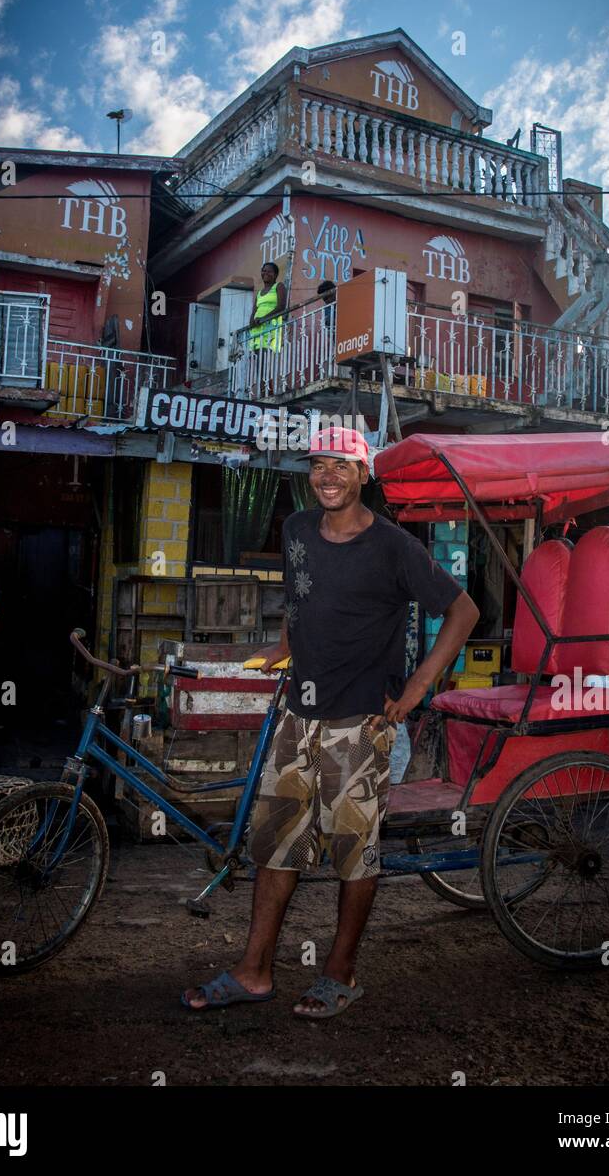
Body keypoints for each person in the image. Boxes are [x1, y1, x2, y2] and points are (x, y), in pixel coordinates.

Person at [182, 425, 479, 1018]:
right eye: (319, 464)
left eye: (342, 465)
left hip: (361, 721)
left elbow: (464, 610)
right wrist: (285, 643)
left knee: (353, 853)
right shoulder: (295, 529)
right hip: (299, 715)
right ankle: (255, 971)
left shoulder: (396, 548)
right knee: (273, 845)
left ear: (364, 474)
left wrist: (418, 687)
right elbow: (301, 593)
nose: (328, 475)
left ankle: (340, 973)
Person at [247, 261, 286, 352]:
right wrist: (251, 323)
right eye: (264, 271)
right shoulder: (259, 293)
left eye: (269, 271)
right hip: (257, 328)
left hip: (270, 326)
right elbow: (254, 312)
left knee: (267, 355)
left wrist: (264, 319)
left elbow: (281, 307)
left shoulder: (279, 286)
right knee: (257, 357)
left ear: (275, 275)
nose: (265, 273)